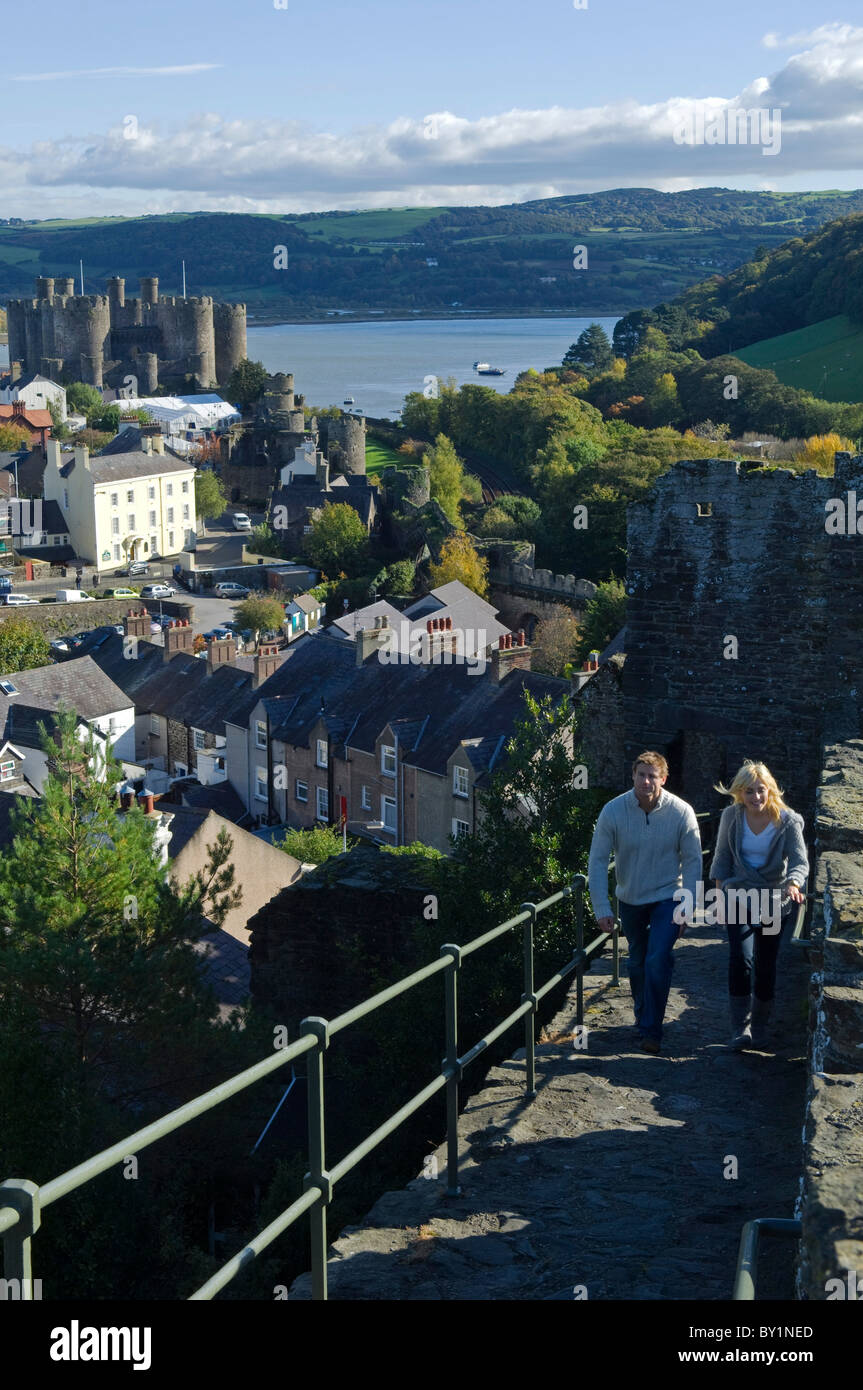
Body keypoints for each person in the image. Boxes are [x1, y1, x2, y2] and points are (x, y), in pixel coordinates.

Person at [588, 751, 702, 1055]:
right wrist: (602, 907)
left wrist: (686, 907)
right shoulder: (613, 811)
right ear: (633, 776)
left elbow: (692, 863)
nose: (646, 781)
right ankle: (643, 1014)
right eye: (641, 774)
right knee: (637, 962)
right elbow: (598, 861)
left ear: (663, 780)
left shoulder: (682, 812)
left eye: (653, 776)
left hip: (669, 896)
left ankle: (652, 1030)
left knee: (657, 958)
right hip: (631, 898)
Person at [709, 762, 808, 1051]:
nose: (755, 797)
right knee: (741, 959)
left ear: (770, 791)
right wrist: (719, 898)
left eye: (760, 791)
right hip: (738, 895)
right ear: (740, 793)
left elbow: (800, 861)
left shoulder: (788, 821)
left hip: (774, 899)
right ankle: (740, 1028)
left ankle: (760, 1027)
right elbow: (721, 859)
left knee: (765, 966)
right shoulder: (731, 816)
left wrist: (794, 883)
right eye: (748, 791)